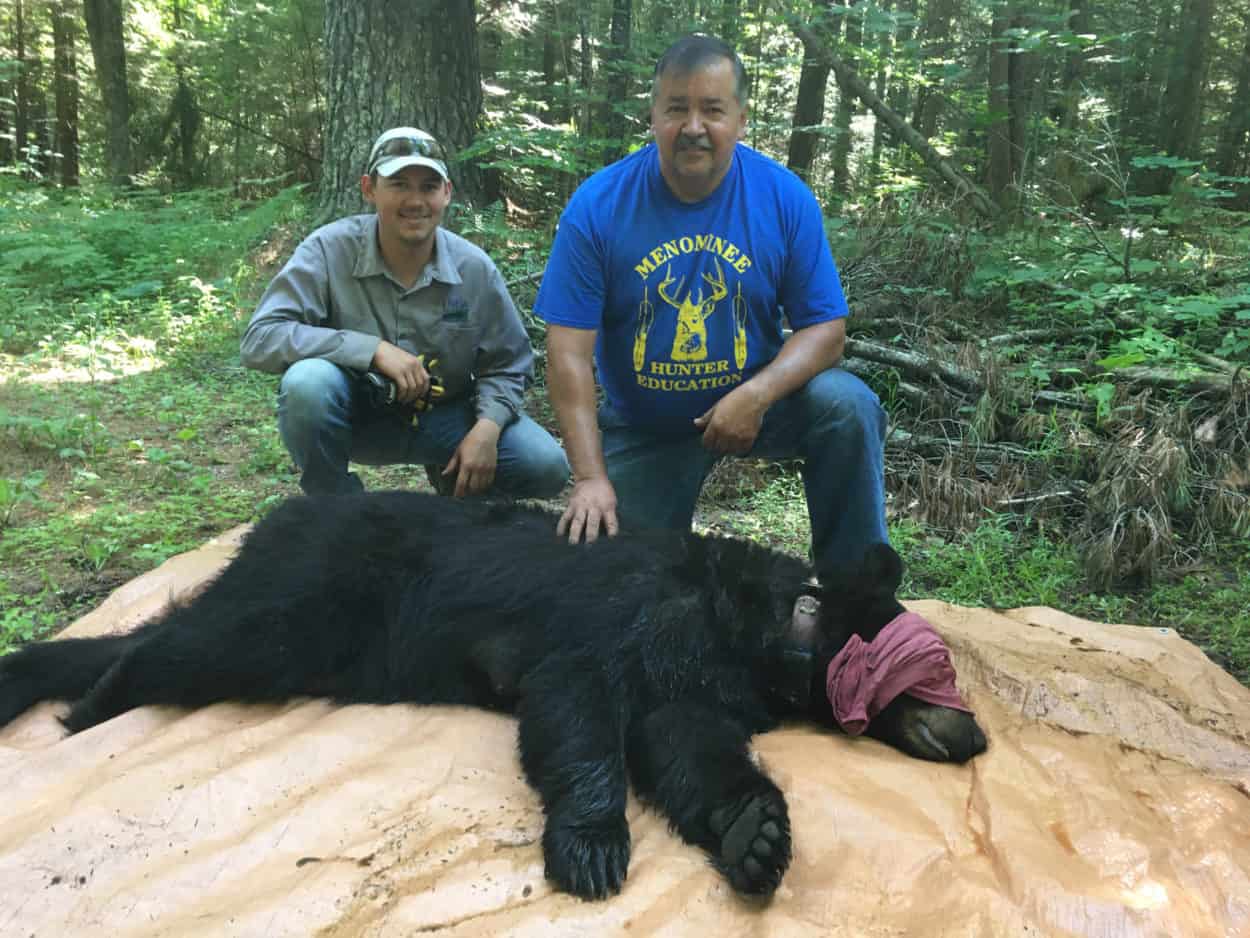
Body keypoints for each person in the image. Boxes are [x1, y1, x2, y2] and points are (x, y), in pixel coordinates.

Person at [534, 34, 888, 573]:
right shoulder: (599, 205)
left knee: (847, 405)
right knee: (610, 582)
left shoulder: (782, 197)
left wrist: (756, 394)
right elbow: (567, 355)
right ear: (653, 115)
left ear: (741, 120)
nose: (693, 127)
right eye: (677, 109)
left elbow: (826, 328)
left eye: (712, 110)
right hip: (645, 427)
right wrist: (589, 478)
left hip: (762, 407)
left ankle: (859, 597)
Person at [242, 126, 570, 499]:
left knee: (544, 464)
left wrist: (487, 429)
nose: (415, 201)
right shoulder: (327, 250)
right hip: (354, 416)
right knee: (307, 384)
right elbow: (261, 338)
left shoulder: (473, 269)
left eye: (429, 186)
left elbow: (510, 363)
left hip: (447, 417)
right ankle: (334, 511)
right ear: (369, 188)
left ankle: (461, 496)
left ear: (447, 194)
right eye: (398, 184)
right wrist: (371, 350)